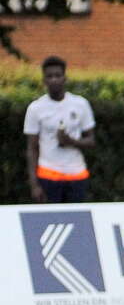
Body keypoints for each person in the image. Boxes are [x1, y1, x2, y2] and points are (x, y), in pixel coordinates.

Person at [23, 56, 96, 204]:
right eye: (49, 76)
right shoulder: (35, 108)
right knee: (50, 221)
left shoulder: (80, 104)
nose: (54, 80)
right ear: (44, 80)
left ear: (65, 78)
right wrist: (34, 184)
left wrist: (71, 141)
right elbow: (32, 148)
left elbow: (91, 141)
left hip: (76, 174)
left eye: (58, 75)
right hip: (49, 175)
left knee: (76, 221)